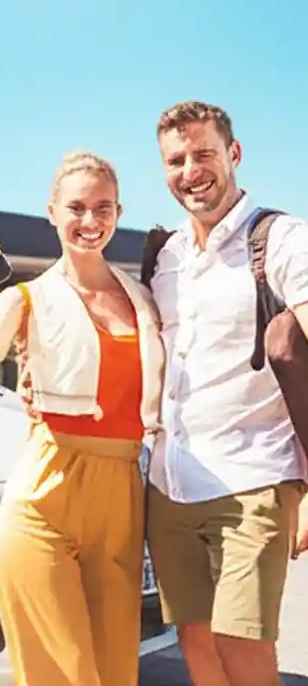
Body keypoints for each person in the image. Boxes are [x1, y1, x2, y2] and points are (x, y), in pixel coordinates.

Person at [0, 150, 165, 684]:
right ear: (51, 212)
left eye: (103, 208)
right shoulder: (28, 297)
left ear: (119, 212)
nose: (89, 221)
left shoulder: (144, 299)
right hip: (46, 491)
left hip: (121, 491)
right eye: (76, 208)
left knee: (115, 668)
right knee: (64, 671)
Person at [144, 100, 308, 686]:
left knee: (242, 642)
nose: (191, 170)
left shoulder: (282, 239)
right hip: (171, 484)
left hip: (254, 480)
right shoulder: (163, 256)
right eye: (176, 159)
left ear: (233, 155)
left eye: (204, 154)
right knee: (195, 640)